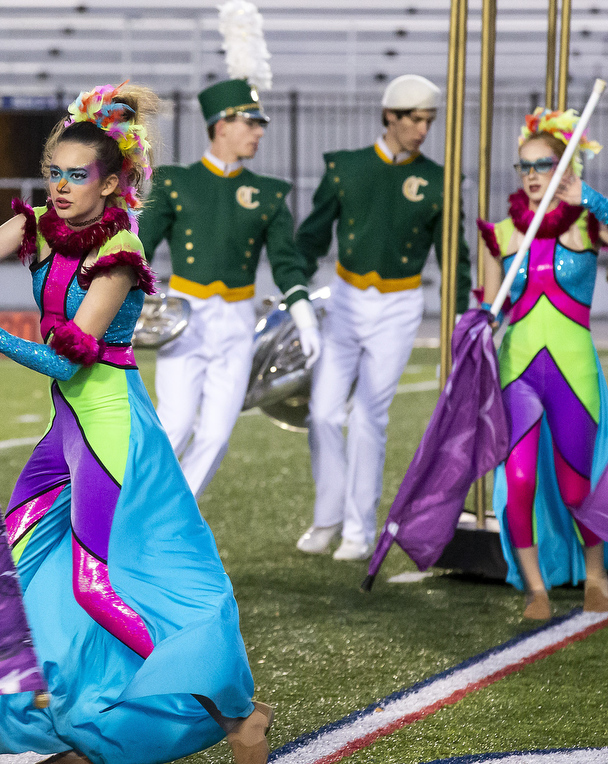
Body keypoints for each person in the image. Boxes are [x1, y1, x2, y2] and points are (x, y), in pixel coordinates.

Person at [0, 83, 273, 764]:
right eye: (51, 172)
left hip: (111, 429)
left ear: (110, 182)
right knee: (15, 560)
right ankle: (53, 714)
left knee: (96, 584)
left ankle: (236, 712)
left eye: (75, 175)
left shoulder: (118, 254)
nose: (58, 186)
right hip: (66, 434)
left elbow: (67, 363)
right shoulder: (33, 226)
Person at [293, 74, 472, 561]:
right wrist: (295, 289)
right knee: (323, 412)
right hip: (346, 299)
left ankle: (357, 529)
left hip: (400, 304)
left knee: (370, 416)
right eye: (415, 118)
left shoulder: (440, 179)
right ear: (389, 115)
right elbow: (311, 237)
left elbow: (454, 257)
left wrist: (460, 319)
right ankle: (328, 516)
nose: (423, 128)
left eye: (429, 120)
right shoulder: (345, 168)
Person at [138, 78, 320, 498]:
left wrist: (305, 317)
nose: (259, 133)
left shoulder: (269, 194)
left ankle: (168, 517)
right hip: (185, 318)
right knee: (176, 424)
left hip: (239, 322)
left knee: (216, 437)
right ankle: (136, 509)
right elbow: (140, 247)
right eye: (252, 123)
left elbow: (286, 263)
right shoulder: (175, 183)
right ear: (222, 125)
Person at [479, 107, 608, 620]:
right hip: (519, 374)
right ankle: (536, 589)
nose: (532, 175)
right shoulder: (502, 234)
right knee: (521, 478)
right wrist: (477, 325)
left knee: (578, 486)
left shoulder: (587, 225)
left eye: (544, 165)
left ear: (567, 169)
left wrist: (591, 201)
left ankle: (595, 573)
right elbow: (488, 308)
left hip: (575, 373)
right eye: (525, 166)